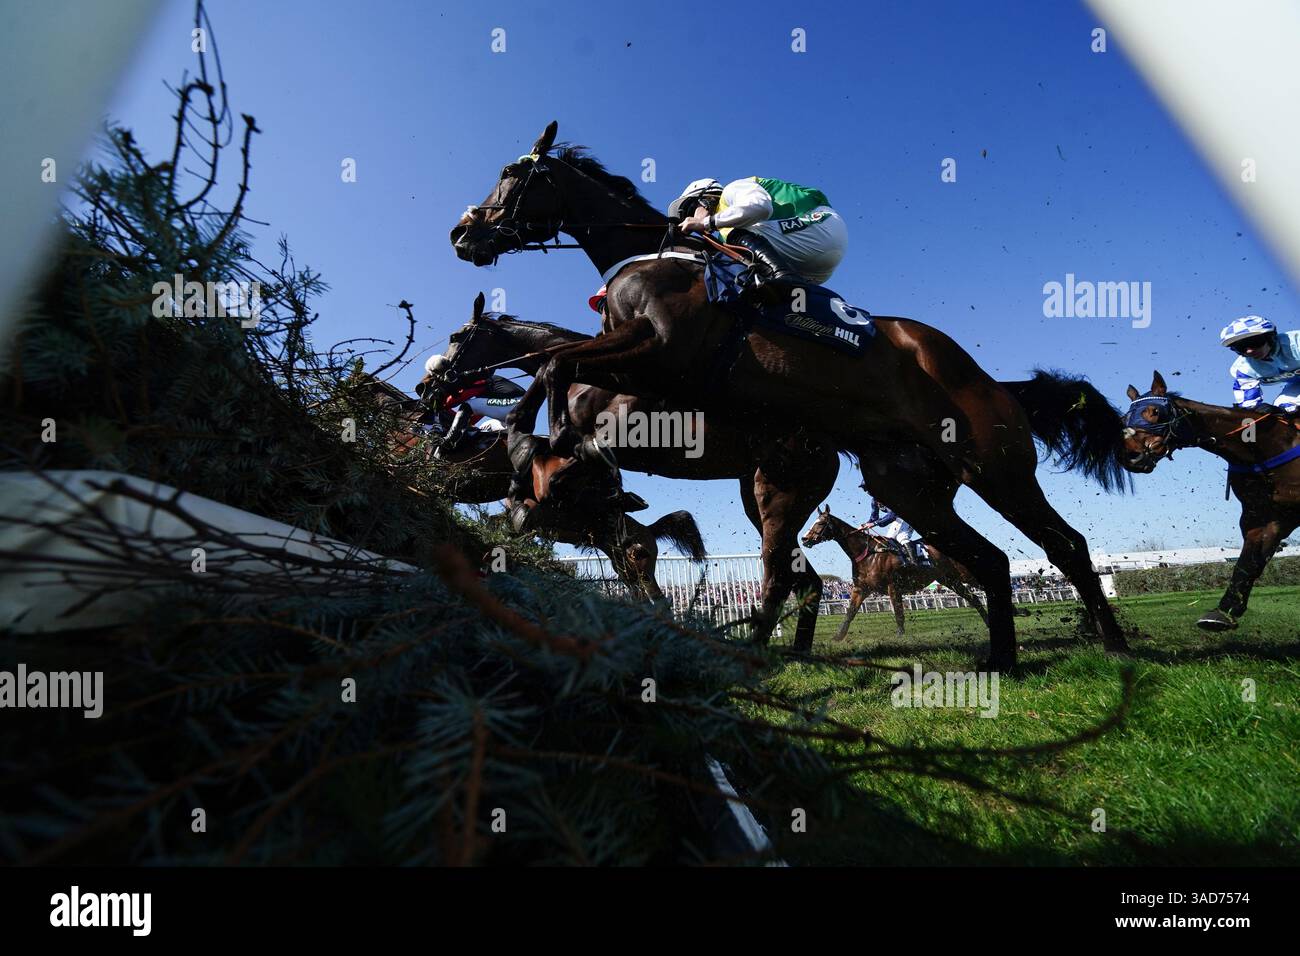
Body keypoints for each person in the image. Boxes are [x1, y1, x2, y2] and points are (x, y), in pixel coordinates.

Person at [669, 176, 848, 290]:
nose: (688, 220)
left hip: (821, 224)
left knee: (734, 234)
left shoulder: (732, 190)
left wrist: (705, 222)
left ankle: (782, 275)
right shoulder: (726, 230)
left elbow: (760, 207)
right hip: (814, 267)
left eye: (690, 211)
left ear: (705, 199)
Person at [423, 353, 526, 458]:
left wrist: (438, 405)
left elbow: (461, 398)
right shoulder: (485, 399)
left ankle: (449, 442)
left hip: (516, 404)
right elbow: (472, 417)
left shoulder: (476, 377)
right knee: (486, 426)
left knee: (468, 405)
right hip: (516, 411)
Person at [1220, 315, 1300, 414]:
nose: (1249, 351)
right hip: (1296, 385)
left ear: (1271, 337)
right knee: (1284, 405)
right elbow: (1249, 405)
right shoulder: (1243, 369)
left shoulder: (1297, 343)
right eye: (1241, 347)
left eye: (1254, 342)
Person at [857, 499, 929, 567]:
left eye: (866, 488)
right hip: (898, 519)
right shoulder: (874, 500)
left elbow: (893, 515)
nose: (866, 491)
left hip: (907, 515)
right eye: (865, 489)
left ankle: (915, 563)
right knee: (889, 541)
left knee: (901, 537)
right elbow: (874, 517)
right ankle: (903, 561)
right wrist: (865, 525)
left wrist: (875, 523)